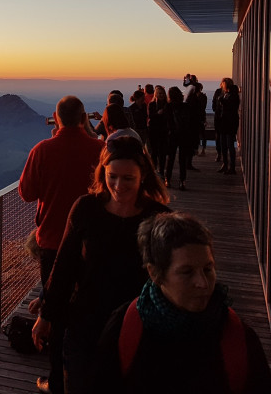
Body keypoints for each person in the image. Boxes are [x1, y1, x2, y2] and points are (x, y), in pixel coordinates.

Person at [31, 135, 170, 394]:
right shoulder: (85, 208)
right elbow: (64, 266)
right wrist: (46, 316)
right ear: (102, 171)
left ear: (143, 177)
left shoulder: (158, 218)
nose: (118, 185)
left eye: (128, 178)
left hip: (136, 327)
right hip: (84, 325)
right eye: (112, 175)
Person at [99, 212, 271, 393]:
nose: (203, 283)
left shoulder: (239, 339)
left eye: (208, 269)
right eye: (187, 272)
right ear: (155, 273)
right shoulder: (125, 330)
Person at [20, 95, 104, 394]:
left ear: (56, 119)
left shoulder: (43, 150)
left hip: (53, 243)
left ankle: (58, 382)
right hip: (93, 245)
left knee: (55, 311)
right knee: (91, 309)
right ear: (84, 118)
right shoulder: (100, 148)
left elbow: (27, 193)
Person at [165, 86, 195, 190]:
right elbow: (190, 121)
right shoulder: (186, 106)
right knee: (182, 159)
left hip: (173, 135)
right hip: (184, 135)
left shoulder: (168, 107)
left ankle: (167, 180)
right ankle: (182, 181)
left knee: (171, 158)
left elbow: (167, 122)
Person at [219, 79, 241, 175]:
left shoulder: (233, 95)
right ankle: (225, 164)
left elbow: (231, 106)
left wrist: (222, 101)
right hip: (225, 122)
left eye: (223, 83)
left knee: (229, 144)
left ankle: (232, 167)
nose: (221, 85)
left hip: (230, 122)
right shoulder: (226, 94)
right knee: (223, 144)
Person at [148, 85, 170, 182]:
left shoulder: (167, 104)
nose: (161, 95)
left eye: (162, 93)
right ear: (156, 94)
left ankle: (161, 170)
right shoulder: (152, 104)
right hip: (153, 130)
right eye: (159, 93)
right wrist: (158, 114)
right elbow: (150, 116)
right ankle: (154, 170)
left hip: (164, 130)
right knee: (154, 151)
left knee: (162, 152)